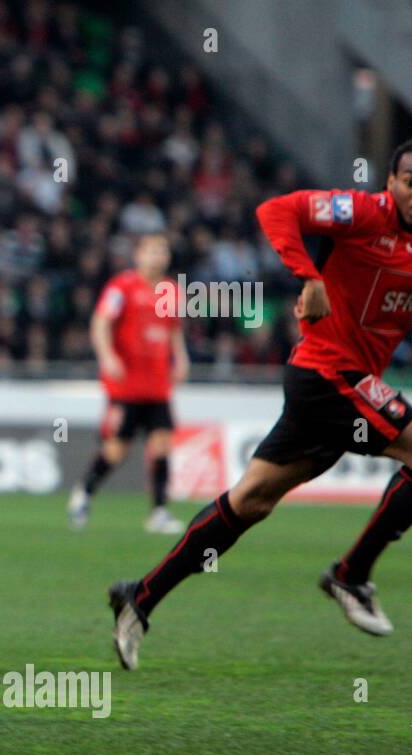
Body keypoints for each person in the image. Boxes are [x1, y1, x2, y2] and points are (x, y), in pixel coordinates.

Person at [108, 141, 412, 669]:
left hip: (339, 387)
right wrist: (310, 277)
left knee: (250, 501)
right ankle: (351, 574)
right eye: (411, 180)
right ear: (391, 180)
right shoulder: (364, 213)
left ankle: (141, 596)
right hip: (327, 375)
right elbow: (277, 211)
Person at [67, 233, 189, 533]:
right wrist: (107, 356)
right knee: (117, 449)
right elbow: (100, 322)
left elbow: (173, 330)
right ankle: (83, 493)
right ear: (138, 255)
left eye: (163, 250)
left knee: (162, 443)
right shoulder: (122, 286)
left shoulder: (171, 290)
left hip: (158, 383)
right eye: (152, 250)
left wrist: (182, 358)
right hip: (126, 385)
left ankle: (159, 511)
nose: (159, 256)